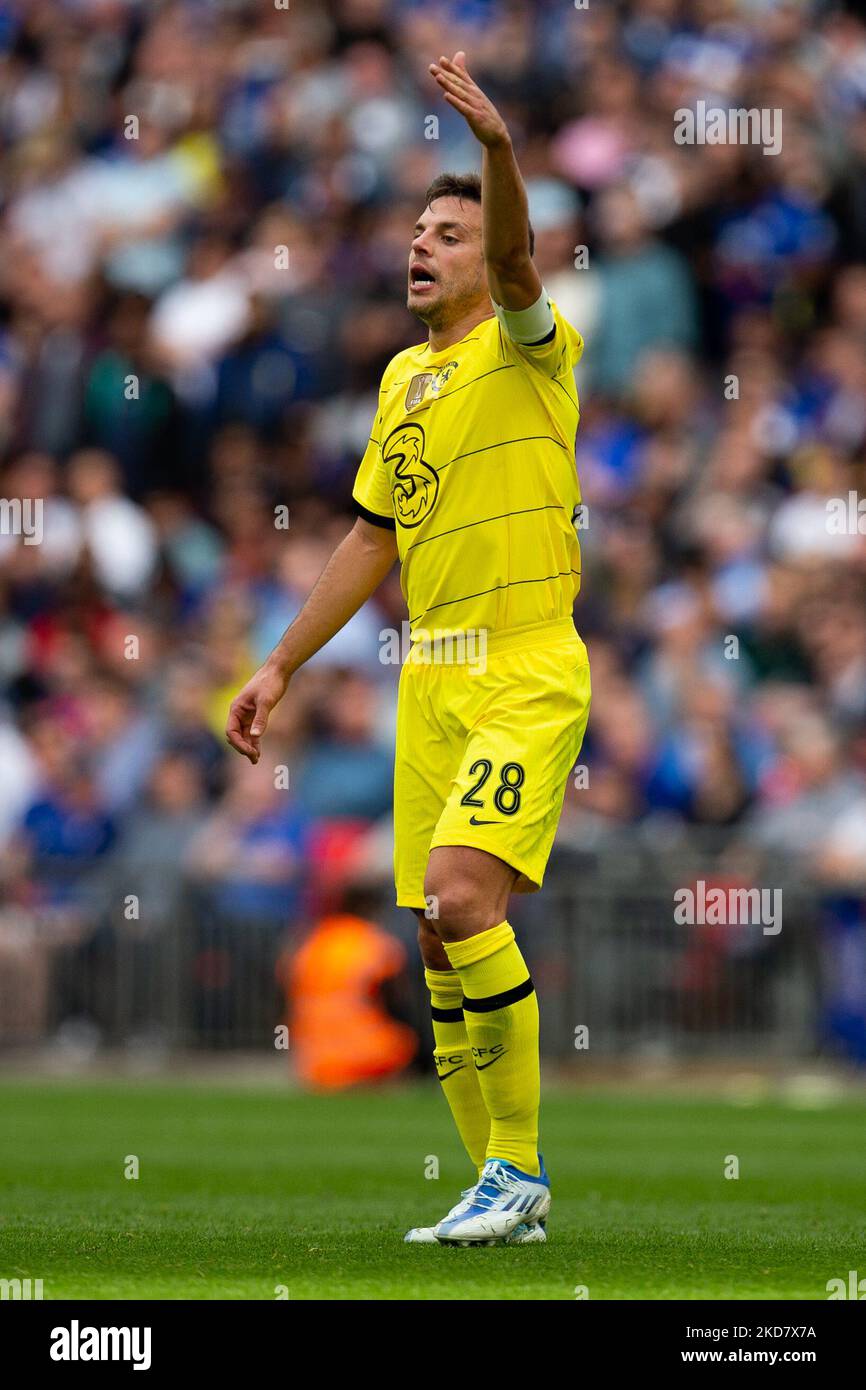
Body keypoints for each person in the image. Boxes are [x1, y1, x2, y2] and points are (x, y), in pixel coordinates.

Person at [226, 52, 591, 1247]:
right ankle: (497, 1184)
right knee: (432, 932)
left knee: (459, 893)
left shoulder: (531, 348)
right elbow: (369, 539)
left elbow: (525, 257)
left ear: (488, 255)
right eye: (416, 231)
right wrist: (280, 663)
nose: (420, 247)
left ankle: (522, 1170)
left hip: (523, 664)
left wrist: (496, 151)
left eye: (448, 233)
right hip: (427, 677)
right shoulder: (399, 380)